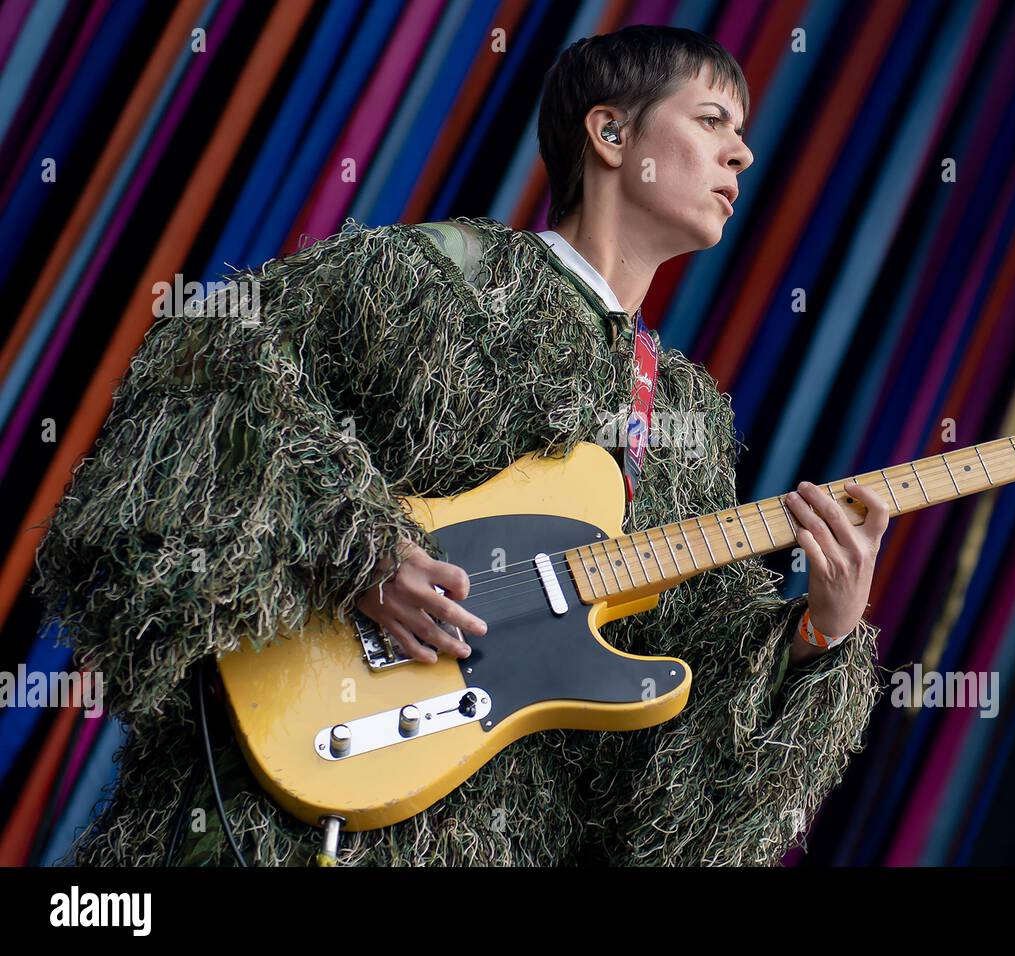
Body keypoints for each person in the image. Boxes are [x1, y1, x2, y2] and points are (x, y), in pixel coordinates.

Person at [33, 24, 888, 867]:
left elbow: (676, 791)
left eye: (742, 135)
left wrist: (817, 638)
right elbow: (201, 382)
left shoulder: (686, 419)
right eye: (712, 121)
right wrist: (362, 549)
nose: (742, 155)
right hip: (269, 823)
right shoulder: (435, 275)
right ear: (612, 133)